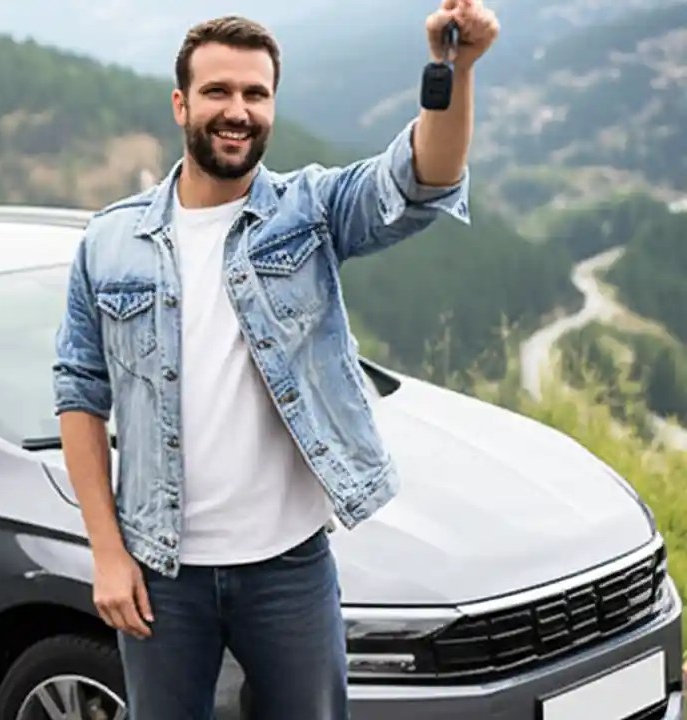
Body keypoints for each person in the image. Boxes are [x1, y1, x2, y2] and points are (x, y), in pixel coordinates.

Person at [51, 1, 499, 718]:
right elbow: (79, 394)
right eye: (219, 92)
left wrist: (454, 72)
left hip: (288, 569)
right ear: (181, 104)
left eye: (255, 94)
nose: (238, 111)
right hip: (162, 571)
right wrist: (107, 550)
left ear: (272, 107)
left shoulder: (309, 211)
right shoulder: (109, 243)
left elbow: (422, 179)